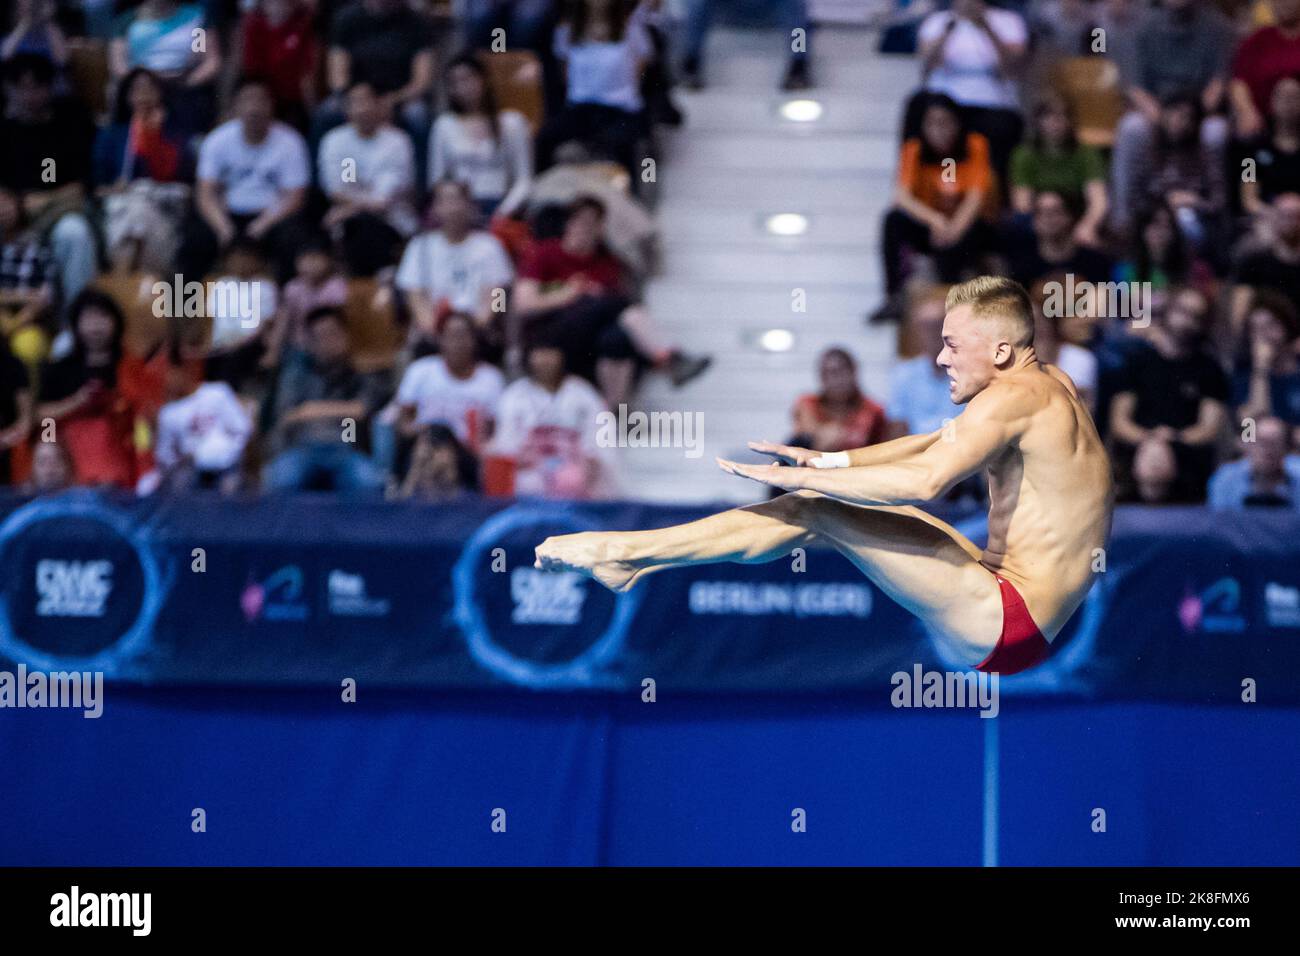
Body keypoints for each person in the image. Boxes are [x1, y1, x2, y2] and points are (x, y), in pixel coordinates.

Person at [535, 276, 1114, 677]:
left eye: (952, 345)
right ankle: (630, 558)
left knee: (813, 513)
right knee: (834, 510)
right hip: (1024, 613)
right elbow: (939, 440)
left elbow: (927, 480)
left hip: (1004, 617)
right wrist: (831, 461)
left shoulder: (1012, 397)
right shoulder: (1050, 384)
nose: (940, 359)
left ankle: (623, 553)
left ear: (1003, 350)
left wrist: (808, 483)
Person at [513, 194, 709, 403]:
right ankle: (669, 358)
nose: (584, 228)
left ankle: (613, 410)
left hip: (591, 339)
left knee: (617, 339)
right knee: (613, 305)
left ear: (600, 228)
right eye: (580, 221)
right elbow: (524, 304)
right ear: (568, 224)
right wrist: (569, 294)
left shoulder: (607, 263)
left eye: (592, 223)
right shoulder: (545, 253)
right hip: (552, 332)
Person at [1109, 0, 1232, 233]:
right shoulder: (1142, 27)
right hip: (1156, 111)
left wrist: (1190, 117)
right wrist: (1165, 119)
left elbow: (1218, 83)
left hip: (1199, 112)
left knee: (1216, 132)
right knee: (1131, 128)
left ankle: (1218, 217)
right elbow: (1134, 87)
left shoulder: (1218, 27)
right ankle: (1123, 218)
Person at [874, 93, 996, 322]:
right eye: (933, 123)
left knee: (980, 232)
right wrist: (935, 221)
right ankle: (894, 296)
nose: (940, 130)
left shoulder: (975, 144)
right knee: (893, 220)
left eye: (946, 122)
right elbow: (901, 197)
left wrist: (953, 229)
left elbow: (976, 197)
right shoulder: (914, 149)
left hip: (964, 226)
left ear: (958, 124)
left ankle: (959, 302)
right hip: (932, 227)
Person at [181, 77, 311, 282]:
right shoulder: (217, 140)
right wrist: (223, 228)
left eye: (261, 100)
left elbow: (295, 198)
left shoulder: (290, 142)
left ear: (271, 105)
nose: (254, 108)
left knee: (293, 238)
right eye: (247, 100)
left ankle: (291, 306)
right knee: (195, 239)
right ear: (235, 106)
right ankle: (182, 308)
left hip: (271, 217)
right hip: (227, 216)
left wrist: (262, 225)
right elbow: (205, 194)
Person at [1108, 286, 1229, 502]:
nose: (1186, 321)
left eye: (1195, 316)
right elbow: (1119, 422)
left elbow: (1209, 428)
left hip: (1186, 458)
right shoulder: (1137, 362)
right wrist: (1151, 439)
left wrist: (1174, 438)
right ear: (1168, 311)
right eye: (1182, 311)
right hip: (1137, 453)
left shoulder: (1209, 368)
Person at [0, 54, 97, 319]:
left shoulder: (69, 122)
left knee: (74, 233)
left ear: (49, 88)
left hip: (57, 213)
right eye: (21, 87)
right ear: (9, 90)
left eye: (36, 87)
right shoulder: (5, 131)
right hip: (11, 219)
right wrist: (11, 203)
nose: (29, 95)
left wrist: (43, 200)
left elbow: (81, 185)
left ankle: (76, 322)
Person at [263, 305, 388, 493]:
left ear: (346, 335)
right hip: (304, 448)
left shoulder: (360, 374)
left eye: (333, 333)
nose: (328, 341)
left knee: (369, 483)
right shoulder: (296, 375)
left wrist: (309, 410)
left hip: (347, 447)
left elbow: (361, 410)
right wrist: (342, 410)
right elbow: (287, 415)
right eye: (320, 337)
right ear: (310, 343)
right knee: (281, 481)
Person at [92, 67, 192, 275]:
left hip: (164, 203)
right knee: (135, 214)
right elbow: (97, 185)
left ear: (161, 94)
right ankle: (136, 284)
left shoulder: (175, 132)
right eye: (137, 90)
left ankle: (130, 279)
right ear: (126, 96)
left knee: (140, 212)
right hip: (122, 204)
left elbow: (183, 176)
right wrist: (113, 188)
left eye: (149, 89)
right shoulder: (111, 134)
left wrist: (153, 137)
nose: (143, 96)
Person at [490, 334, 614, 499]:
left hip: (575, 469)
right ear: (529, 357)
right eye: (540, 353)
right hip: (528, 471)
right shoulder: (514, 395)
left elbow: (598, 439)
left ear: (562, 356)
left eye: (551, 353)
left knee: (574, 479)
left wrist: (588, 463)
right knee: (528, 483)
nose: (545, 360)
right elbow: (506, 444)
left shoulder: (583, 394)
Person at [914, 0, 1029, 179]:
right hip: (947, 94)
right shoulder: (938, 21)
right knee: (920, 109)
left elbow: (1012, 68)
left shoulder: (1008, 21)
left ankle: (993, 186)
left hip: (990, 96)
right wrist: (948, 30)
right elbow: (926, 66)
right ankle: (938, 182)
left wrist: (987, 27)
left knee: (1002, 125)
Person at [395, 179, 516, 347]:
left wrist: (480, 324)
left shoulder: (490, 245)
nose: (452, 207)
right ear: (435, 208)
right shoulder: (420, 246)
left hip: (478, 332)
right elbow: (414, 297)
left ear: (470, 205)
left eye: (457, 199)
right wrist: (435, 329)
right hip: (434, 333)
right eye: (445, 201)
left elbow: (499, 295)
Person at [318, 80, 419, 275]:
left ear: (380, 104)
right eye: (355, 102)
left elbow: (384, 200)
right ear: (346, 109)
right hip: (350, 223)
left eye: (367, 101)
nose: (362, 108)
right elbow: (338, 190)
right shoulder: (336, 142)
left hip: (393, 220)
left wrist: (351, 207)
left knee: (367, 226)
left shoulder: (397, 142)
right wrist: (358, 206)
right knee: (356, 228)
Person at [428, 53, 534, 220]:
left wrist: (501, 214)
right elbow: (437, 181)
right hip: (459, 211)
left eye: (468, 78)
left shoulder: (511, 122)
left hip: (501, 205)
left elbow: (524, 180)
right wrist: (457, 212)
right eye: (455, 82)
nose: (464, 87)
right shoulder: (444, 125)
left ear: (484, 79)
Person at [1007, 94, 1108, 247]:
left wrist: (1087, 226)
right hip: (1039, 218)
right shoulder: (1024, 155)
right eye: (1049, 117)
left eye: (1061, 117)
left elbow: (1098, 201)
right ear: (1038, 121)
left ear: (1070, 121)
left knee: (1092, 241)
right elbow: (1022, 204)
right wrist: (1044, 227)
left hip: (1075, 216)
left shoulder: (1086, 153)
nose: (1055, 123)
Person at [109, 0, 222, 135]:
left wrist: (187, 82)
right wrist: (141, 82)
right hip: (142, 85)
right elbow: (118, 64)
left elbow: (208, 60)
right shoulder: (128, 21)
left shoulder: (196, 18)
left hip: (184, 87)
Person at [680, 0, 814, 92]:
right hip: (731, 10)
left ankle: (798, 66)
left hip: (769, 9)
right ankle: (691, 65)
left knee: (797, 12)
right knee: (698, 3)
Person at [787, 347, 887, 455]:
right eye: (826, 374)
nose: (833, 380)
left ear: (853, 372)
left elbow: (883, 451)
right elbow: (809, 441)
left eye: (838, 372)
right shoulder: (807, 403)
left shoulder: (874, 411)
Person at [1006, 190, 1113, 290]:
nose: (1047, 218)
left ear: (1071, 216)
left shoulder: (1095, 261)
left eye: (1055, 211)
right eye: (1040, 212)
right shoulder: (1022, 265)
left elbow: (1102, 300)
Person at [240, 0, 318, 130]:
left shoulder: (303, 24)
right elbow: (252, 71)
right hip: (265, 95)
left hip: (294, 99)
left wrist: (311, 106)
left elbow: (307, 72)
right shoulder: (253, 25)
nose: (277, 5)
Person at [1229, 0, 1300, 142]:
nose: (1283, 4)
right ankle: (1251, 164)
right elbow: (1238, 83)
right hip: (1264, 123)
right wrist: (1247, 111)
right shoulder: (1256, 41)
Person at [1233, 289, 1300, 428]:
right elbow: (1248, 434)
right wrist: (1261, 369)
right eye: (1256, 329)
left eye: (1270, 325)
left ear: (1286, 327)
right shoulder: (1244, 380)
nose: (1264, 335)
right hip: (1264, 447)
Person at [1208, 415, 1300, 509]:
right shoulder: (1225, 479)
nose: (1268, 450)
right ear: (1247, 445)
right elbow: (1219, 520)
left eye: (1275, 443)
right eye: (1261, 442)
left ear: (1287, 447)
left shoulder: (1298, 474)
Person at [394, 423, 480, 501]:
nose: (426, 455)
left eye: (432, 452)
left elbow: (451, 482)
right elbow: (404, 499)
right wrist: (415, 471)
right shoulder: (413, 490)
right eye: (424, 462)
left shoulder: (468, 497)